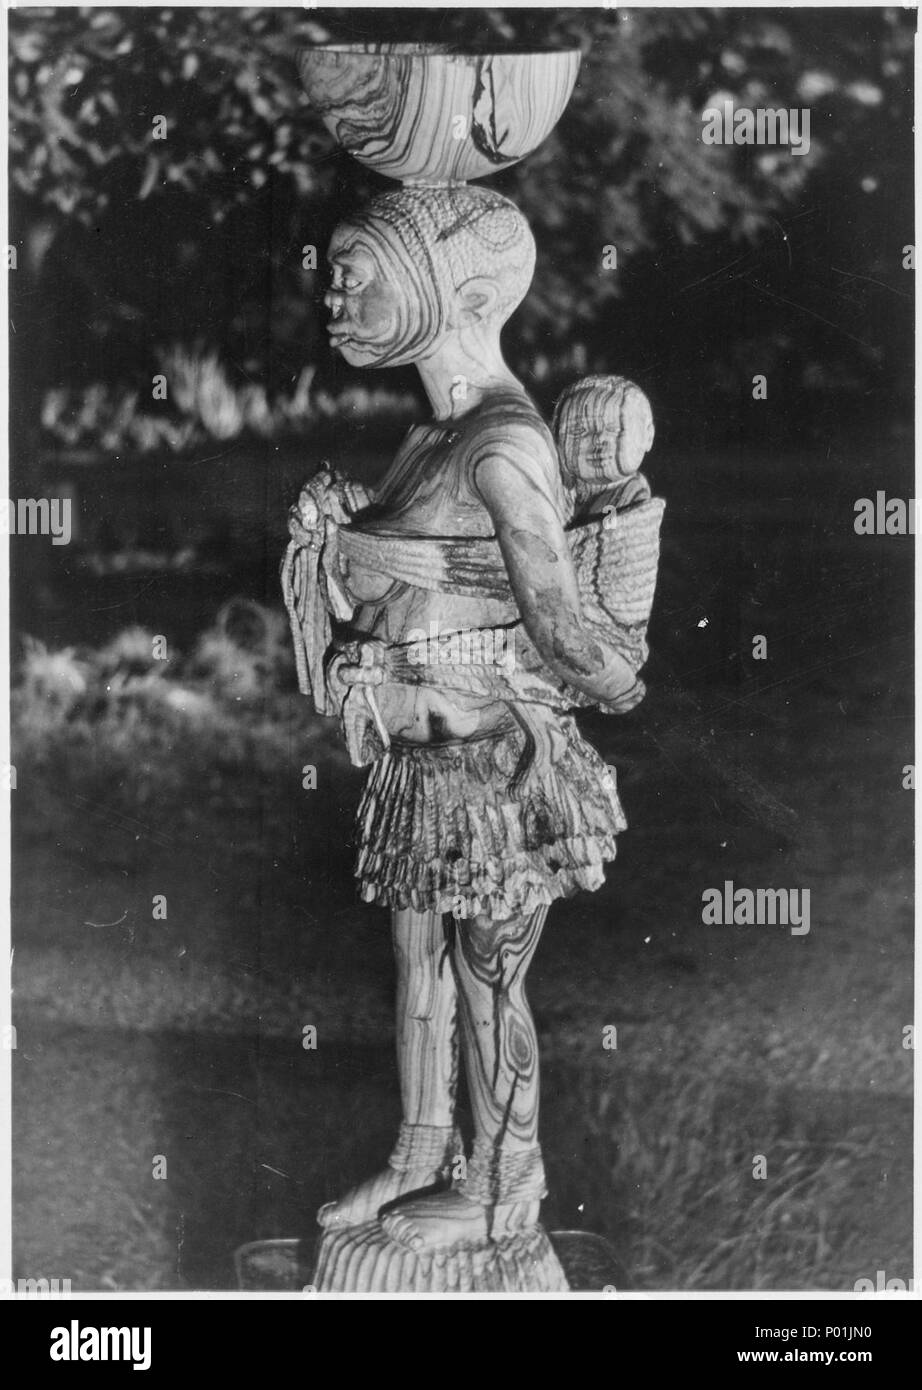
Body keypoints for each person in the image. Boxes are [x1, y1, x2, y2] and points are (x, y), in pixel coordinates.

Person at [286, 183, 646, 1254]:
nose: (334, 293)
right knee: (419, 962)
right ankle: (417, 1151)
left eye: (360, 272)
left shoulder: (501, 446)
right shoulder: (431, 440)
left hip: (494, 769)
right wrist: (341, 548)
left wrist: (612, 679)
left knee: (490, 970)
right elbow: (397, 587)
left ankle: (502, 1187)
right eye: (334, 272)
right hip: (420, 766)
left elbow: (562, 624)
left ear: (456, 293)